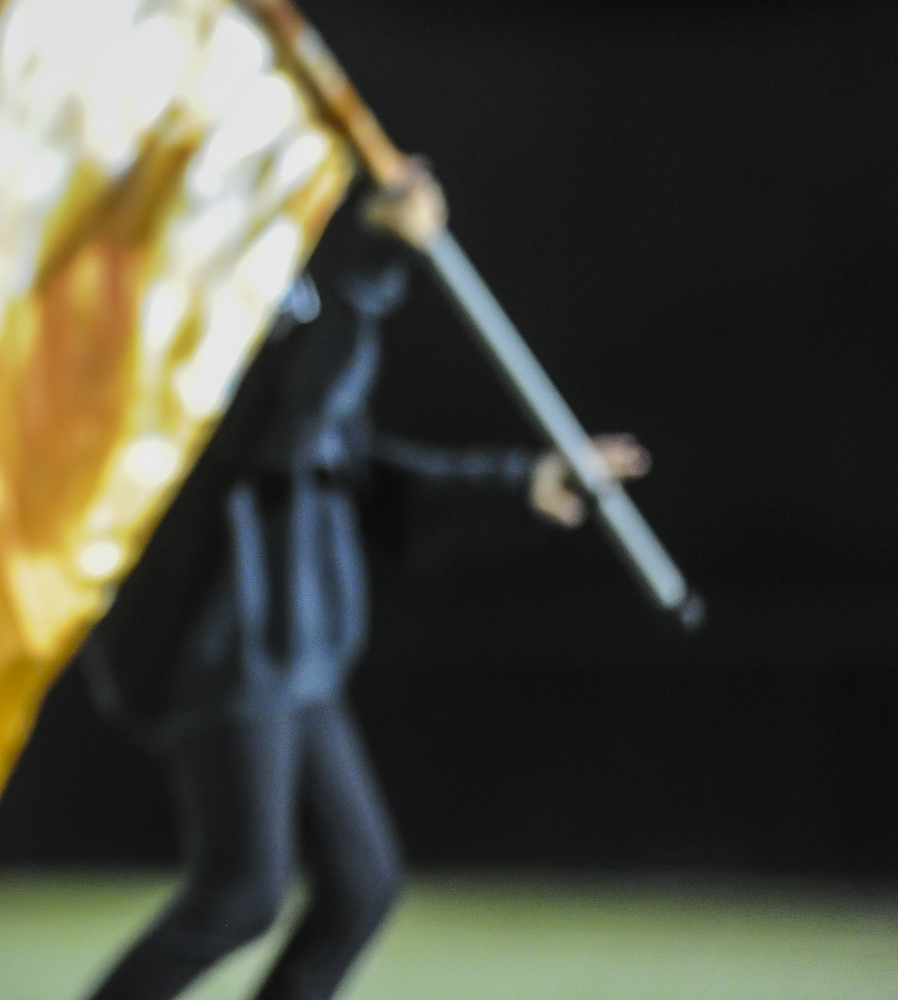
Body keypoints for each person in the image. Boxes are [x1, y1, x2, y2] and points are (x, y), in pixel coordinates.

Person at [82, 165, 649, 1000]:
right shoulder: (180, 305)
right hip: (219, 642)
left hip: (290, 645)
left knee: (358, 885)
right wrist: (379, 264)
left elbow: (344, 470)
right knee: (240, 896)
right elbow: (285, 430)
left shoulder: (290, 296)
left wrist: (516, 484)